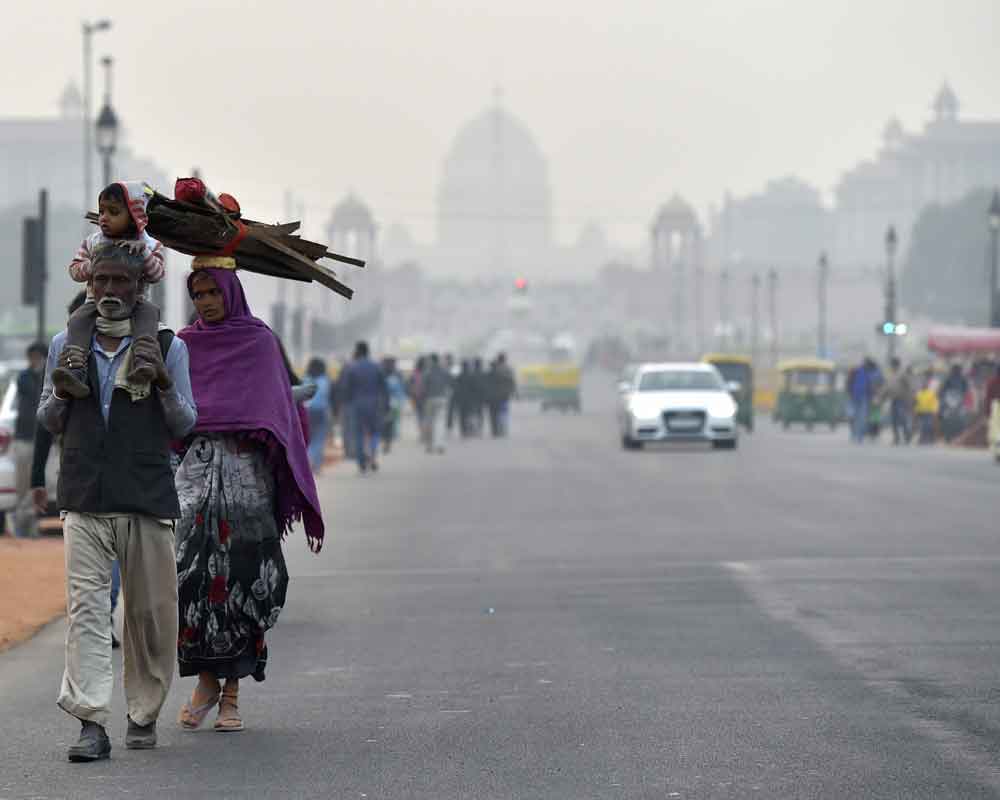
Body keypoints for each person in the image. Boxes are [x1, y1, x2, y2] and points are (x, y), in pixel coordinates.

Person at [37, 245, 196, 762]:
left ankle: (142, 713)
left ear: (139, 288)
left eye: (120, 281)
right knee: (86, 611)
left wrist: (164, 384)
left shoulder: (168, 346)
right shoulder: (66, 344)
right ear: (90, 285)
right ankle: (90, 723)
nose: (109, 290)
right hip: (84, 496)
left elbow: (185, 423)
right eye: (101, 279)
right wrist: (64, 390)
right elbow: (47, 418)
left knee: (150, 615)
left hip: (145, 496)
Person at [173, 264, 324, 734]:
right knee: (191, 580)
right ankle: (205, 683)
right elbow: (173, 413)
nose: (205, 302)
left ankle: (232, 694)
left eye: (212, 293)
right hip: (195, 478)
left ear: (231, 293)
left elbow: (276, 411)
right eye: (197, 294)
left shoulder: (259, 342)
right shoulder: (183, 345)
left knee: (246, 580)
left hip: (247, 480)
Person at [51, 182, 165, 400]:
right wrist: (92, 265)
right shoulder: (93, 242)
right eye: (102, 211)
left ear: (134, 216)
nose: (104, 218)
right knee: (78, 320)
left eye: (113, 212)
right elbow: (74, 271)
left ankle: (144, 363)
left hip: (135, 305)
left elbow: (157, 274)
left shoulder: (149, 244)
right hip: (95, 304)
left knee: (149, 315)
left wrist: (144, 254)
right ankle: (74, 372)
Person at [11, 341, 48, 538]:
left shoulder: (49, 377)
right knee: (22, 485)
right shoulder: (24, 377)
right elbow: (32, 391)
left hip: (41, 440)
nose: (34, 360)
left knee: (38, 485)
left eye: (38, 357)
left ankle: (26, 520)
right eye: (31, 357)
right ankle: (22, 524)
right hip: (23, 438)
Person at [339, 341, 388, 473]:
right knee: (374, 432)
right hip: (374, 404)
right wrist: (386, 405)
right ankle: (372, 454)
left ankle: (361, 462)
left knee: (358, 433)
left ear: (357, 351)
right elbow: (384, 388)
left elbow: (345, 389)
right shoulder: (376, 367)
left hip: (356, 405)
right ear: (368, 351)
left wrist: (345, 405)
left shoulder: (351, 368)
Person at [303, 358, 332, 473]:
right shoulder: (324, 380)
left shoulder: (305, 379)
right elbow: (325, 396)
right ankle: (316, 465)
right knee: (319, 438)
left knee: (308, 438)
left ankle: (308, 462)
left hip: (307, 411)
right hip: (320, 411)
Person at [879, 357, 914, 445]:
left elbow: (909, 386)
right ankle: (896, 437)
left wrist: (910, 398)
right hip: (893, 399)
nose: (892, 366)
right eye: (892, 365)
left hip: (901, 399)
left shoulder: (902, 374)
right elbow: (886, 387)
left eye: (894, 365)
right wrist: (881, 396)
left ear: (897, 365)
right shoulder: (890, 375)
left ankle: (907, 435)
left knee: (902, 418)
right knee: (894, 419)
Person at [420, 353, 450, 453]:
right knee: (440, 422)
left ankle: (430, 446)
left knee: (430, 422)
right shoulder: (444, 371)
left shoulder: (427, 372)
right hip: (442, 399)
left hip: (430, 399)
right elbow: (449, 384)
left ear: (431, 361)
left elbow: (423, 387)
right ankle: (440, 444)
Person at [487, 353, 517, 438]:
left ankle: (496, 430)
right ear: (505, 359)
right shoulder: (509, 369)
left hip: (495, 395)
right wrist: (513, 392)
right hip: (505, 395)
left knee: (495, 413)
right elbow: (512, 382)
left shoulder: (495, 369)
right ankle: (503, 429)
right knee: (504, 412)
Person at [382, 358, 407, 454]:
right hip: (394, 402)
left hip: (384, 402)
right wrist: (401, 400)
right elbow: (400, 390)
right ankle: (390, 439)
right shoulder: (397, 375)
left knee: (385, 422)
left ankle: (386, 441)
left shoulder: (381, 373)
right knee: (392, 421)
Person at [914, 373, 939, 445]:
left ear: (927, 386)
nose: (924, 386)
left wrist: (935, 411)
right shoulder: (918, 393)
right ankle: (923, 438)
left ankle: (927, 438)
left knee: (927, 425)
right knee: (923, 426)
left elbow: (935, 403)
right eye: (923, 384)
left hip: (929, 412)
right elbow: (916, 403)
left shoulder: (931, 393)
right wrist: (915, 411)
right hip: (920, 412)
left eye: (925, 385)